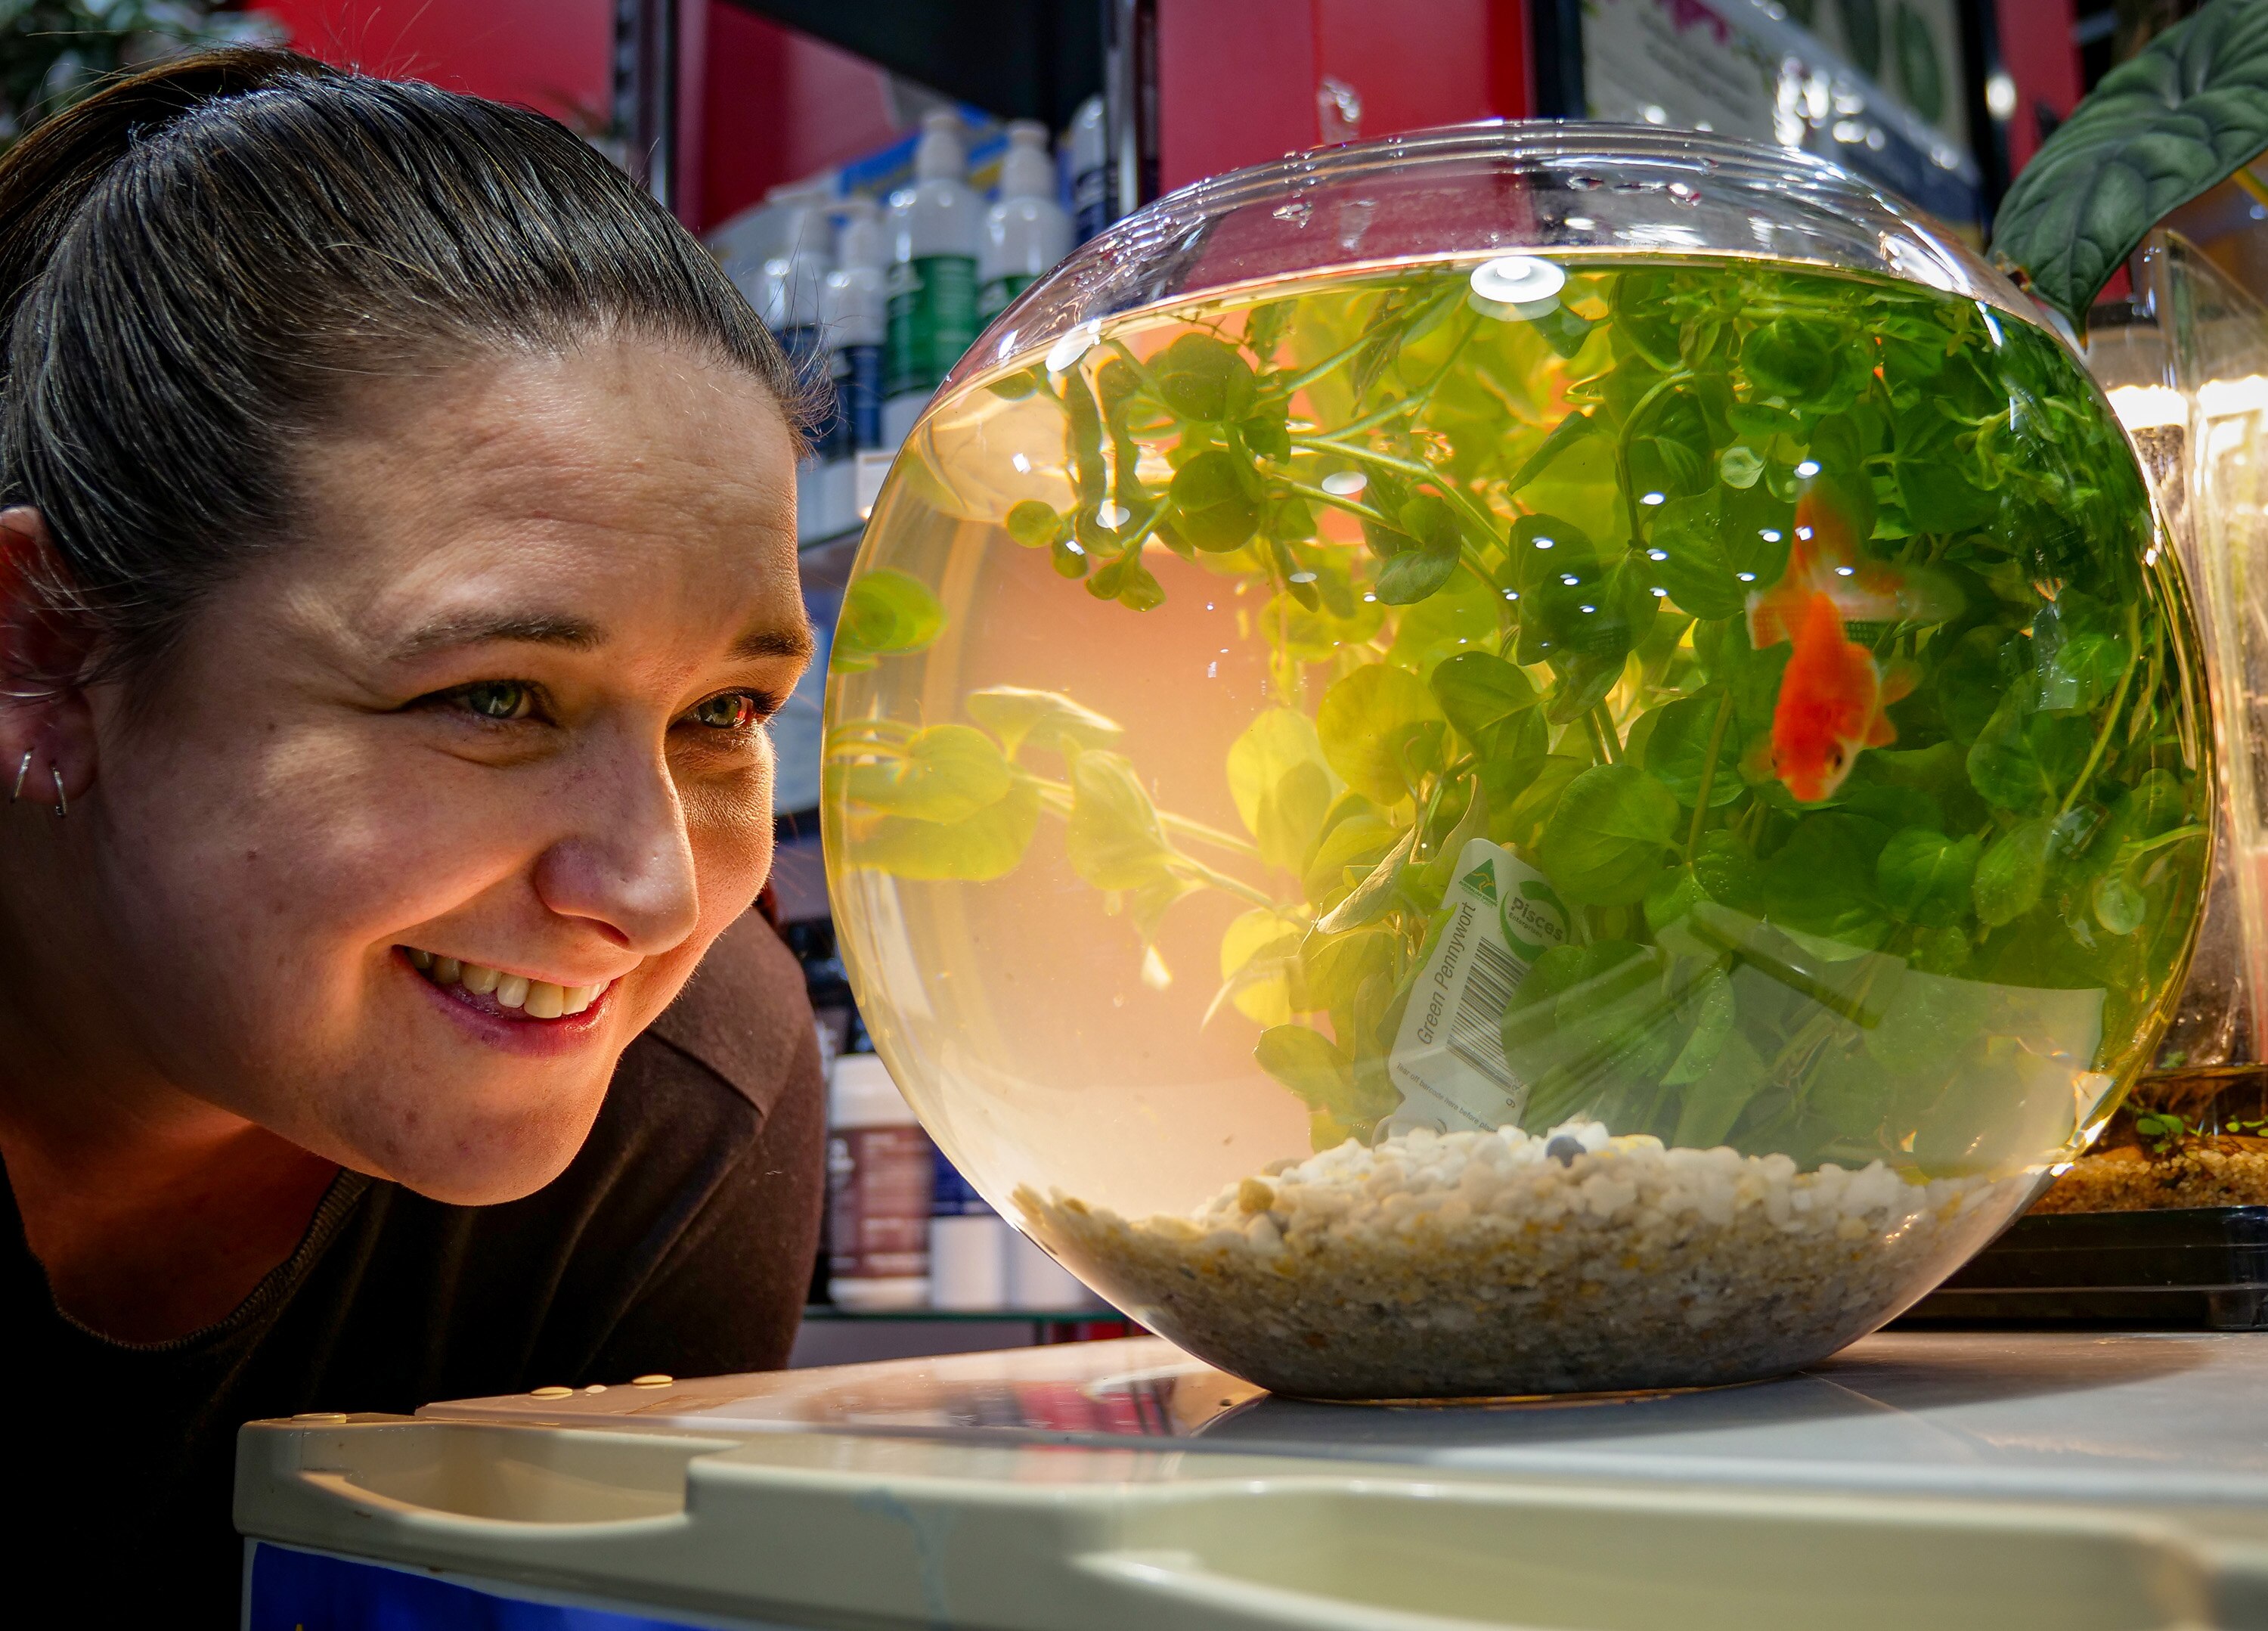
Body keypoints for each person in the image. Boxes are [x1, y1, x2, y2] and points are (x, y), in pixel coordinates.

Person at [0, 48, 827, 1623]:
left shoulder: (679, 1089)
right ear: (45, 650)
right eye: (499, 696)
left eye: (722, 713)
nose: (653, 895)